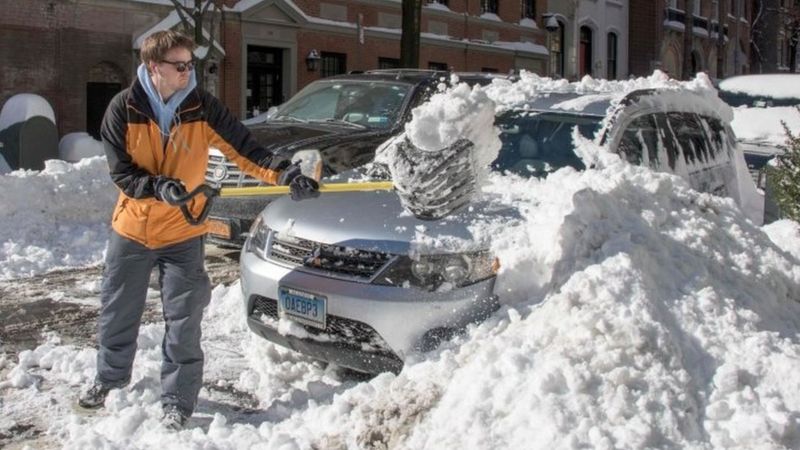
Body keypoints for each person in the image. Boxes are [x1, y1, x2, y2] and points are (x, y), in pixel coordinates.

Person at [77, 30, 319, 430]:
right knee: (118, 312)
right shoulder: (123, 108)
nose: (189, 72)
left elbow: (245, 148)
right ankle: (109, 378)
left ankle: (177, 399)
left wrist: (285, 172)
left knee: (185, 319)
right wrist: (155, 186)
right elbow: (121, 172)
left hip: (183, 231)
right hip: (132, 230)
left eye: (191, 64)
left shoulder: (201, 107)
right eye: (180, 66)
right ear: (154, 67)